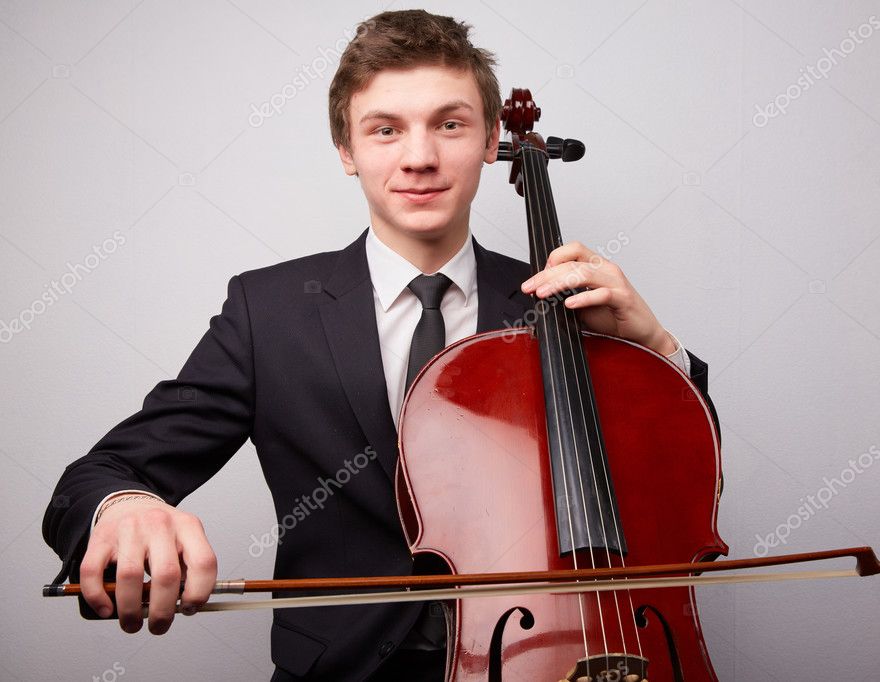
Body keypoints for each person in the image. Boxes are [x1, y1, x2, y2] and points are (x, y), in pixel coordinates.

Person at [42, 9, 719, 681]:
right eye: (385, 130)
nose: (419, 158)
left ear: (490, 139)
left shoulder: (562, 306)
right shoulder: (267, 311)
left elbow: (680, 488)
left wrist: (657, 349)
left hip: (540, 661)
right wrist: (126, 506)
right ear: (346, 149)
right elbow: (100, 475)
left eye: (449, 125)